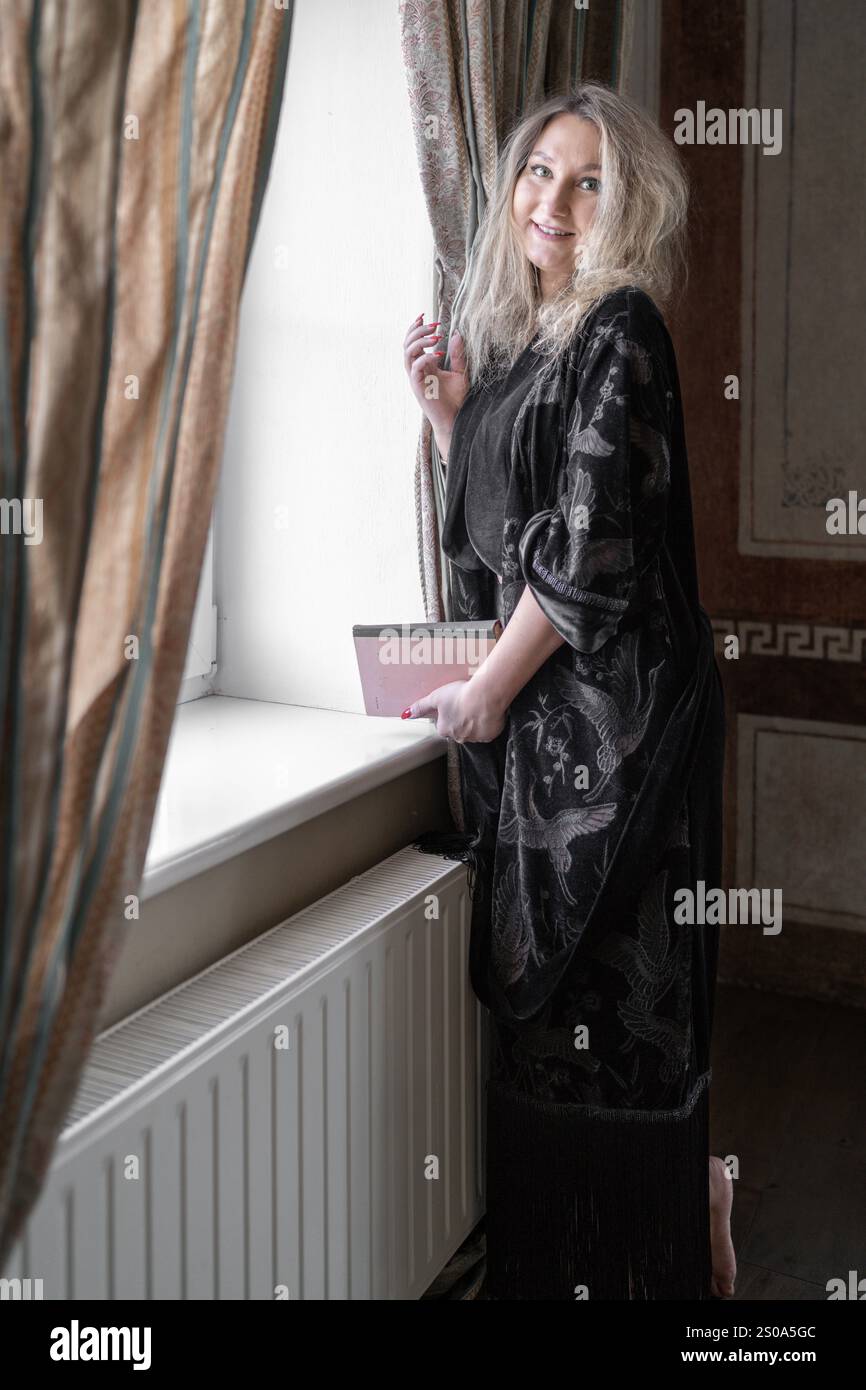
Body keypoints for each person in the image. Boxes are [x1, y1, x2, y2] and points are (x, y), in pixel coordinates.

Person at [401, 83, 736, 1302]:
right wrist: (451, 426)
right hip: (539, 762)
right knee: (547, 1054)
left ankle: (668, 1245)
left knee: (625, 1043)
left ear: (623, 204)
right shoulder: (515, 350)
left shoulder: (621, 329)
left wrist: (484, 694)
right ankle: (608, 1243)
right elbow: (502, 544)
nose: (553, 200)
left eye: (586, 180)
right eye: (540, 171)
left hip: (627, 759)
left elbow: (589, 555)